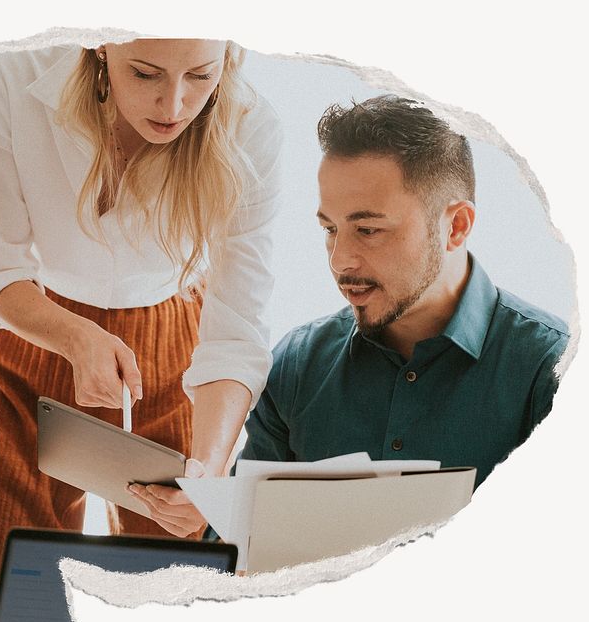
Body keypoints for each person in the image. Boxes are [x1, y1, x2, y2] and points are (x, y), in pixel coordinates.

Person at [0, 38, 285, 622]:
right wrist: (74, 337)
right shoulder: (9, 77)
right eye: (145, 73)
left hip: (171, 351)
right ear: (99, 43)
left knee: (174, 589)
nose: (174, 103)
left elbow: (235, 334)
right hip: (25, 328)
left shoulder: (251, 130)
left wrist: (209, 474)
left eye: (200, 75)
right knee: (7, 592)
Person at [213, 95, 569, 492]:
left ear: (456, 226)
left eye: (368, 230)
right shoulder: (295, 367)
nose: (340, 261)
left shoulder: (551, 371)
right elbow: (239, 542)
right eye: (330, 229)